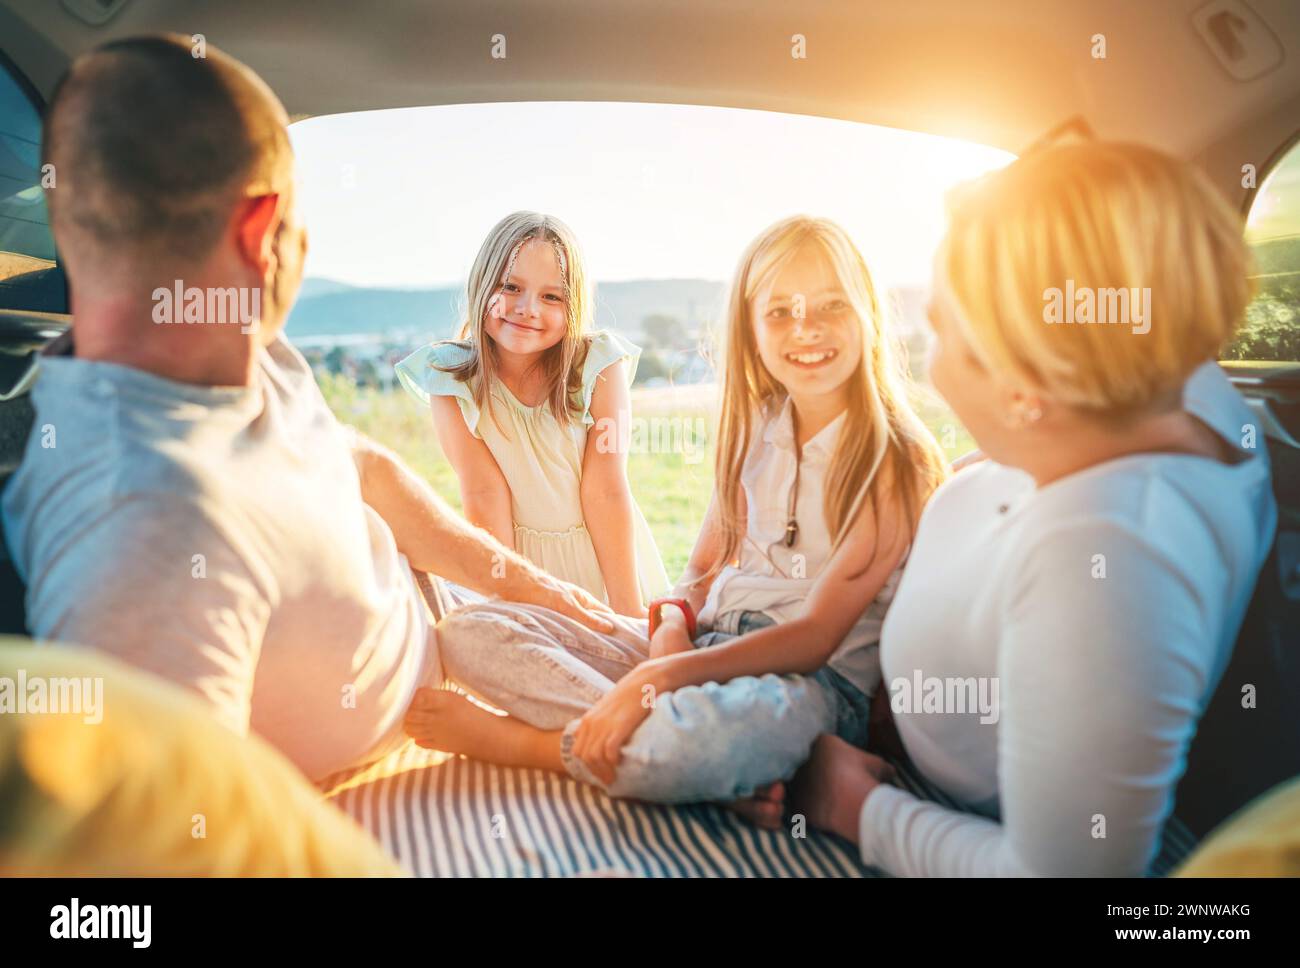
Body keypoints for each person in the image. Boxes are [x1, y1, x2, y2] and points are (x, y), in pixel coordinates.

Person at [1, 34, 613, 783]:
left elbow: (367, 471)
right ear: (261, 235)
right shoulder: (142, 527)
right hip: (428, 733)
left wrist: (557, 599)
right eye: (299, 227)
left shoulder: (244, 348)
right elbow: (190, 828)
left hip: (468, 631)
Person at [787, 141, 1277, 876]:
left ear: (1029, 393)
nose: (931, 360)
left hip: (905, 782)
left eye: (947, 334)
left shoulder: (1109, 560)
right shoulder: (1165, 376)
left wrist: (849, 805)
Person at [403, 216, 947, 814]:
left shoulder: (897, 460)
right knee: (469, 635)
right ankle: (703, 767)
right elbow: (702, 570)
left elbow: (816, 639)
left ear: (868, 311)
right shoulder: (756, 426)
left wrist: (656, 681)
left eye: (830, 306)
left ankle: (530, 746)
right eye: (780, 313)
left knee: (712, 739)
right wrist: (669, 629)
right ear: (751, 327)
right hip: (704, 644)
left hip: (806, 687)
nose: (805, 329)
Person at [395, 212, 669, 615]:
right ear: (483, 284)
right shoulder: (450, 377)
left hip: (604, 559)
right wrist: (513, 605)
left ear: (573, 304)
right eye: (511, 287)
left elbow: (606, 490)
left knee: (617, 662)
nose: (527, 309)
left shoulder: (598, 365)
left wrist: (626, 611)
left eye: (552, 297)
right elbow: (483, 494)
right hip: (512, 564)